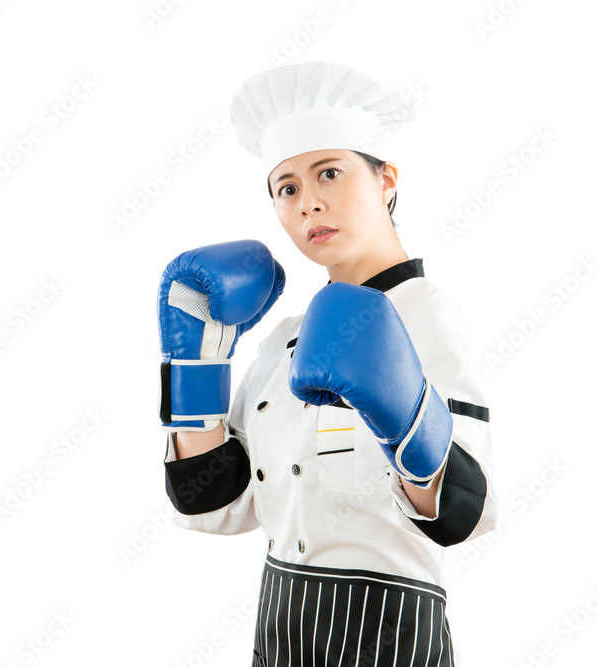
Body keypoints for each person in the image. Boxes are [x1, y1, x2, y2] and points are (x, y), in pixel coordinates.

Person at [156, 61, 498, 667]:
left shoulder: (430, 319)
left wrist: (407, 421)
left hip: (391, 633)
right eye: (286, 187)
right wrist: (197, 363)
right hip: (280, 627)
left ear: (386, 179)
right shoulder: (284, 339)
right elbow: (216, 507)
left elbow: (470, 514)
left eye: (329, 173)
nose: (309, 202)